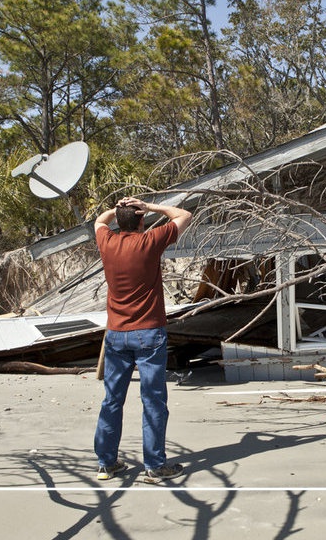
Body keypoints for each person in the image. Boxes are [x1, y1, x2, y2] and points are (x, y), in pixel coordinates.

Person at [92, 196, 193, 482]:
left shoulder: (107, 243)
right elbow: (183, 214)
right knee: (153, 401)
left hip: (116, 334)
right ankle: (155, 465)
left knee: (112, 399)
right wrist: (151, 206)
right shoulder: (149, 241)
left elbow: (99, 221)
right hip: (149, 332)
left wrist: (120, 209)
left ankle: (106, 463)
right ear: (140, 221)